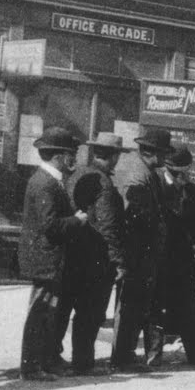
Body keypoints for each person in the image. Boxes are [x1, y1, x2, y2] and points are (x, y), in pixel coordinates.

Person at [17, 127, 88, 382]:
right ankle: (31, 367)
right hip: (44, 261)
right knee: (39, 313)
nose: (74, 159)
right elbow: (50, 225)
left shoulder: (50, 180)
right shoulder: (45, 183)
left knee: (47, 313)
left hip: (49, 260)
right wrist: (77, 220)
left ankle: (43, 361)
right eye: (71, 154)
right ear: (59, 156)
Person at [110, 127, 171, 372]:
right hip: (136, 252)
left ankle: (124, 355)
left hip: (139, 251)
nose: (165, 158)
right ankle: (122, 358)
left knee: (132, 305)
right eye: (163, 153)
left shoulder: (143, 169)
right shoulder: (138, 174)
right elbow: (135, 216)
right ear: (152, 152)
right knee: (131, 306)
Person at [67, 132, 128, 375]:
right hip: (97, 256)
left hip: (76, 252)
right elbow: (108, 225)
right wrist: (118, 261)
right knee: (91, 312)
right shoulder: (104, 183)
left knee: (78, 309)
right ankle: (83, 362)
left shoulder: (78, 173)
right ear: (114, 156)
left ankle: (69, 359)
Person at [152, 143, 195, 366]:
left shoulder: (192, 191)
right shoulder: (155, 186)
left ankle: (194, 353)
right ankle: (153, 354)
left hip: (182, 257)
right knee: (156, 305)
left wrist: (186, 241)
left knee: (188, 307)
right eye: (178, 172)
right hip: (160, 256)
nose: (183, 177)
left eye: (186, 172)